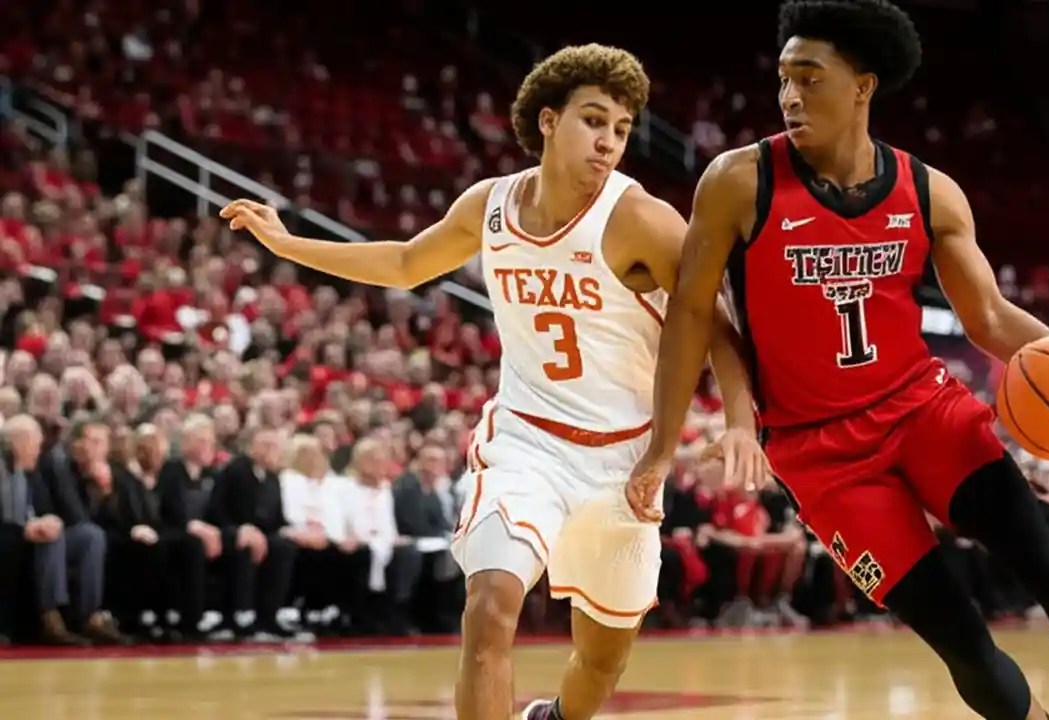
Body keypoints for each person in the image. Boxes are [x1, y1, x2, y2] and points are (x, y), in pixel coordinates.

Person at [625, 2, 1049, 719]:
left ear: (863, 85)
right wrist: (666, 448)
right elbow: (695, 316)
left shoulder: (928, 190)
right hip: (818, 453)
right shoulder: (739, 180)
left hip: (924, 411)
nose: (790, 96)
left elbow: (989, 318)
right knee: (961, 637)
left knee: (1043, 560)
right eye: (784, 79)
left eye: (809, 78)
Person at [220, 44, 764, 720]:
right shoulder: (492, 205)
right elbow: (403, 261)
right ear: (546, 121)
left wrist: (741, 420)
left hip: (624, 461)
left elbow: (713, 321)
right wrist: (289, 244)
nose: (609, 143)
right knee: (489, 608)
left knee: (601, 658)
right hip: (526, 443)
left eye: (621, 130)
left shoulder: (639, 217)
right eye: (593, 121)